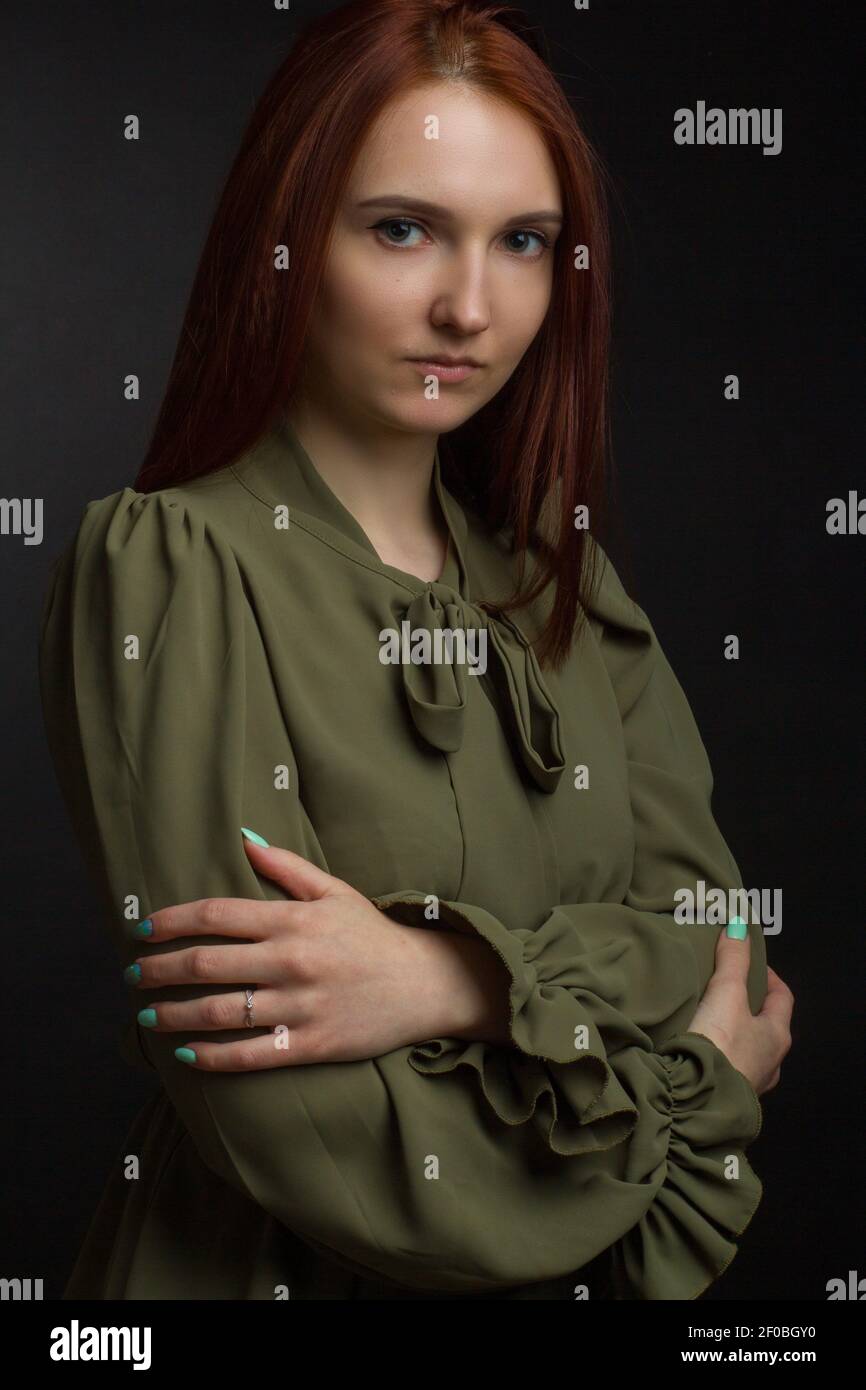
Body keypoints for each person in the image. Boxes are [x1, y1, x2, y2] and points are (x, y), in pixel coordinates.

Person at [38, 0, 793, 1300]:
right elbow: (296, 1126)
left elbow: (723, 947)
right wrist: (685, 1106)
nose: (467, 305)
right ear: (285, 237)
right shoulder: (171, 567)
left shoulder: (564, 583)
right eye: (402, 228)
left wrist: (453, 980)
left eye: (522, 243)